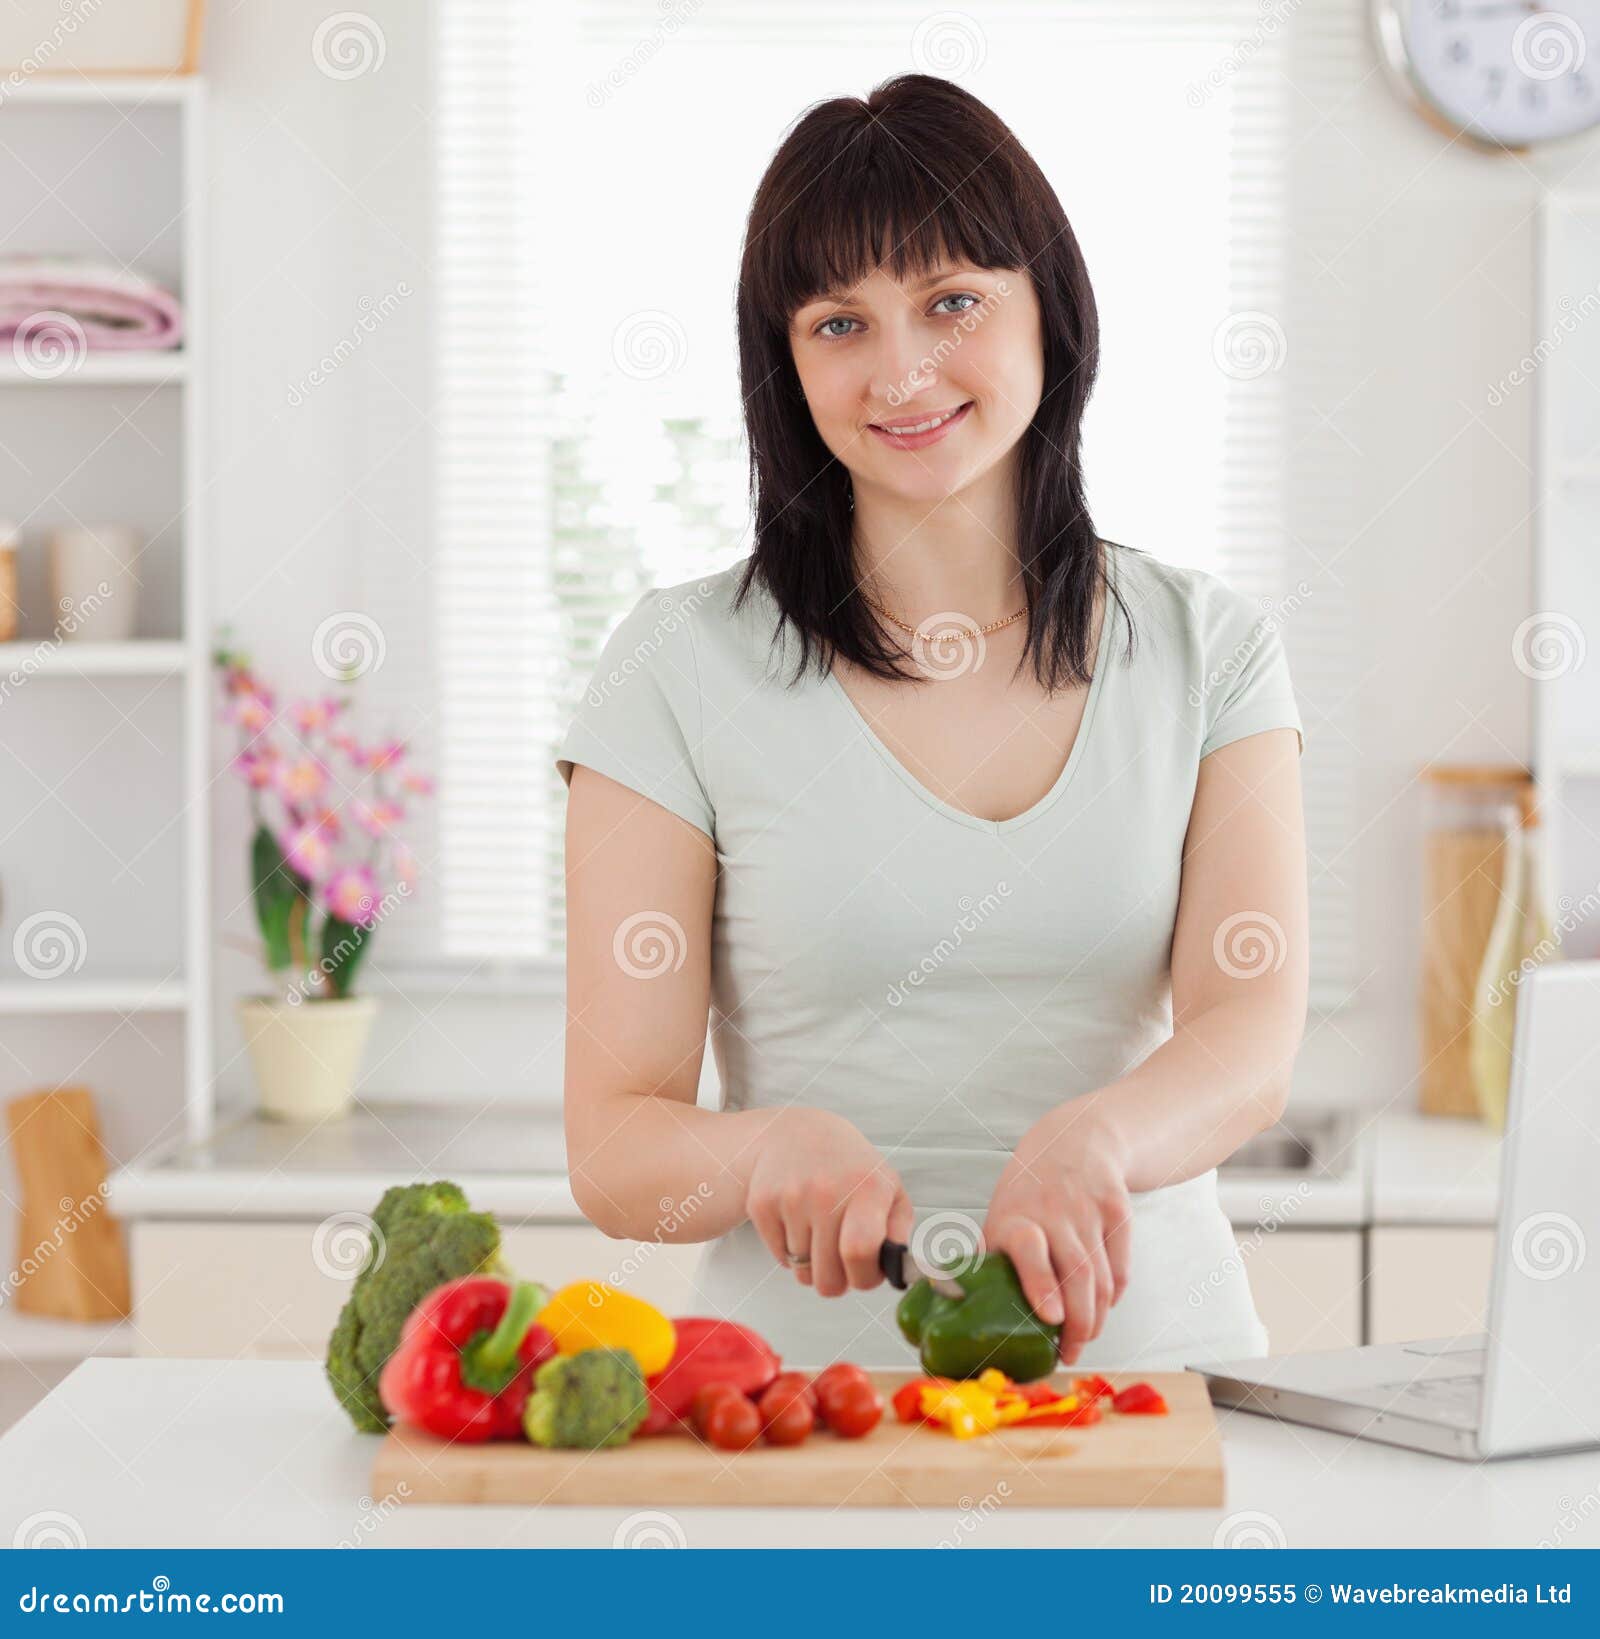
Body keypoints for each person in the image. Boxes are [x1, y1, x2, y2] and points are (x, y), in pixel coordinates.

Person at [554, 73, 1307, 1371]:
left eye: (951, 301)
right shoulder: (673, 666)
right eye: (838, 323)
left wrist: (1095, 1139)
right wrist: (765, 1147)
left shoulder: (1209, 648)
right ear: (783, 366)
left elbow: (1249, 1036)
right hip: (795, 1416)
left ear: (1047, 315)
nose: (901, 371)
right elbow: (617, 1156)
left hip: (1157, 1391)